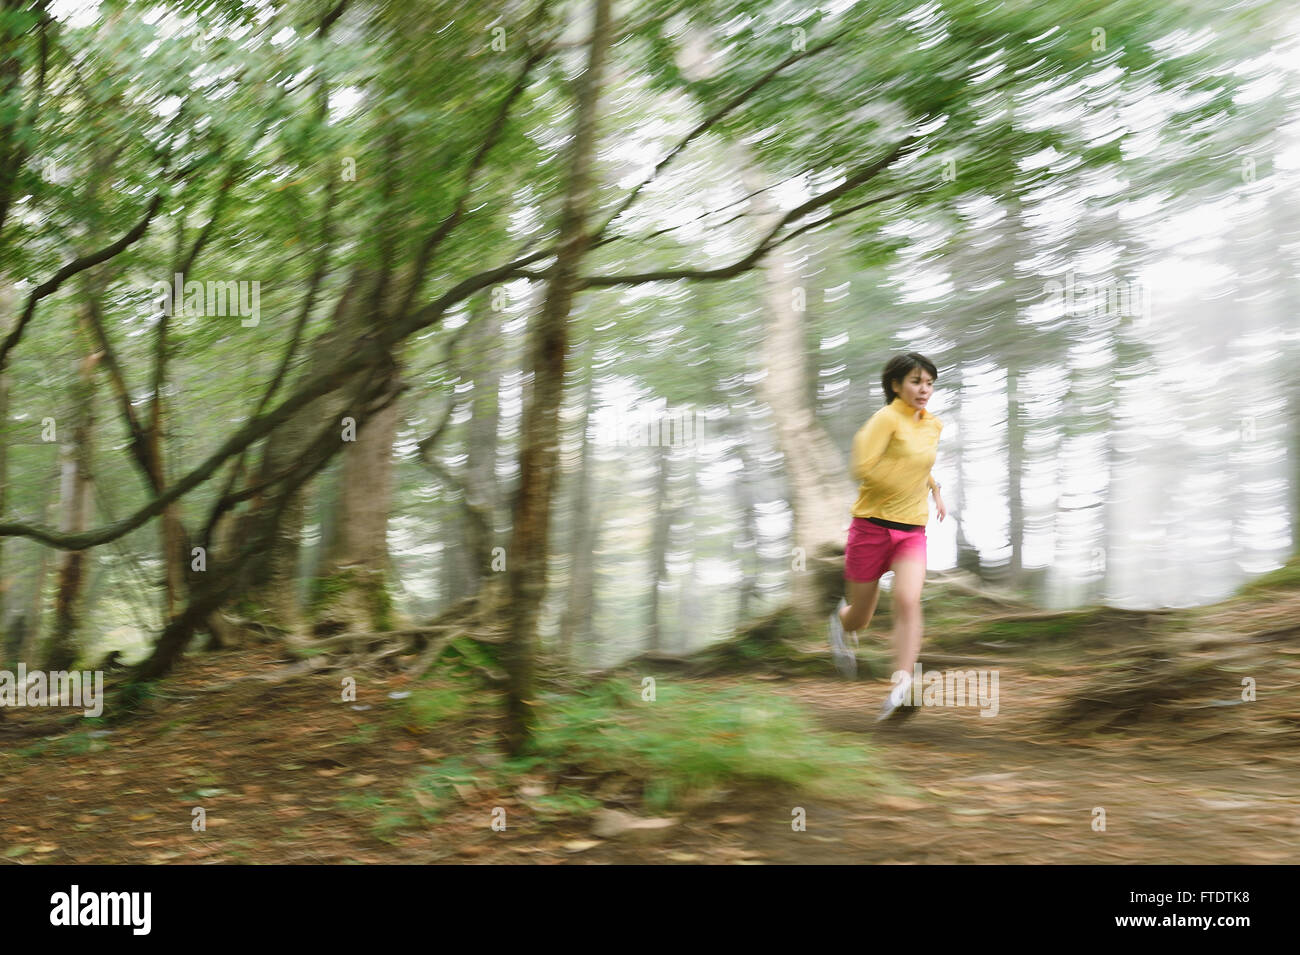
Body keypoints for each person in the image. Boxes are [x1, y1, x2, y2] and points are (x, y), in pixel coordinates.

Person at [827, 352, 946, 722]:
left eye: (928, 382)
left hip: (912, 529)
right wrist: (896, 486)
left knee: (908, 600)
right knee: (860, 616)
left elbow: (918, 462)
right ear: (896, 385)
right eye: (915, 381)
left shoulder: (932, 425)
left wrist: (934, 488)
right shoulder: (885, 419)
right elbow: (861, 467)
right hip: (871, 527)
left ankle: (901, 686)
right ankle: (840, 621)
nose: (923, 389)